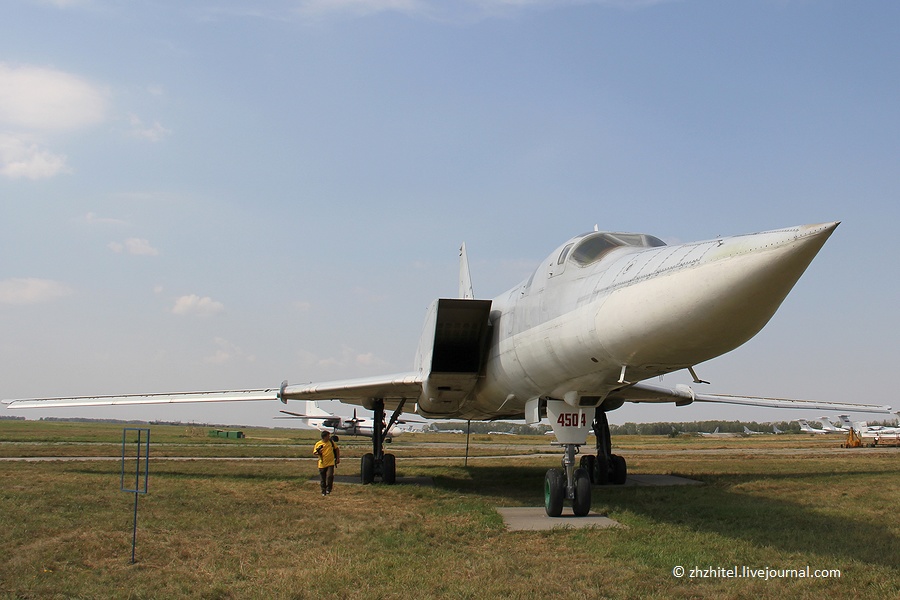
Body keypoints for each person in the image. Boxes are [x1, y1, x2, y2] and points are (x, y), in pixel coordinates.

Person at [313, 430, 340, 496]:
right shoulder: (318, 444)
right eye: (328, 436)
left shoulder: (331, 442)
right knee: (323, 478)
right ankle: (323, 491)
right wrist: (319, 452)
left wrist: (337, 458)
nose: (329, 437)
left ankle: (329, 489)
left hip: (330, 463)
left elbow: (336, 449)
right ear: (324, 437)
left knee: (330, 476)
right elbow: (315, 453)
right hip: (322, 463)